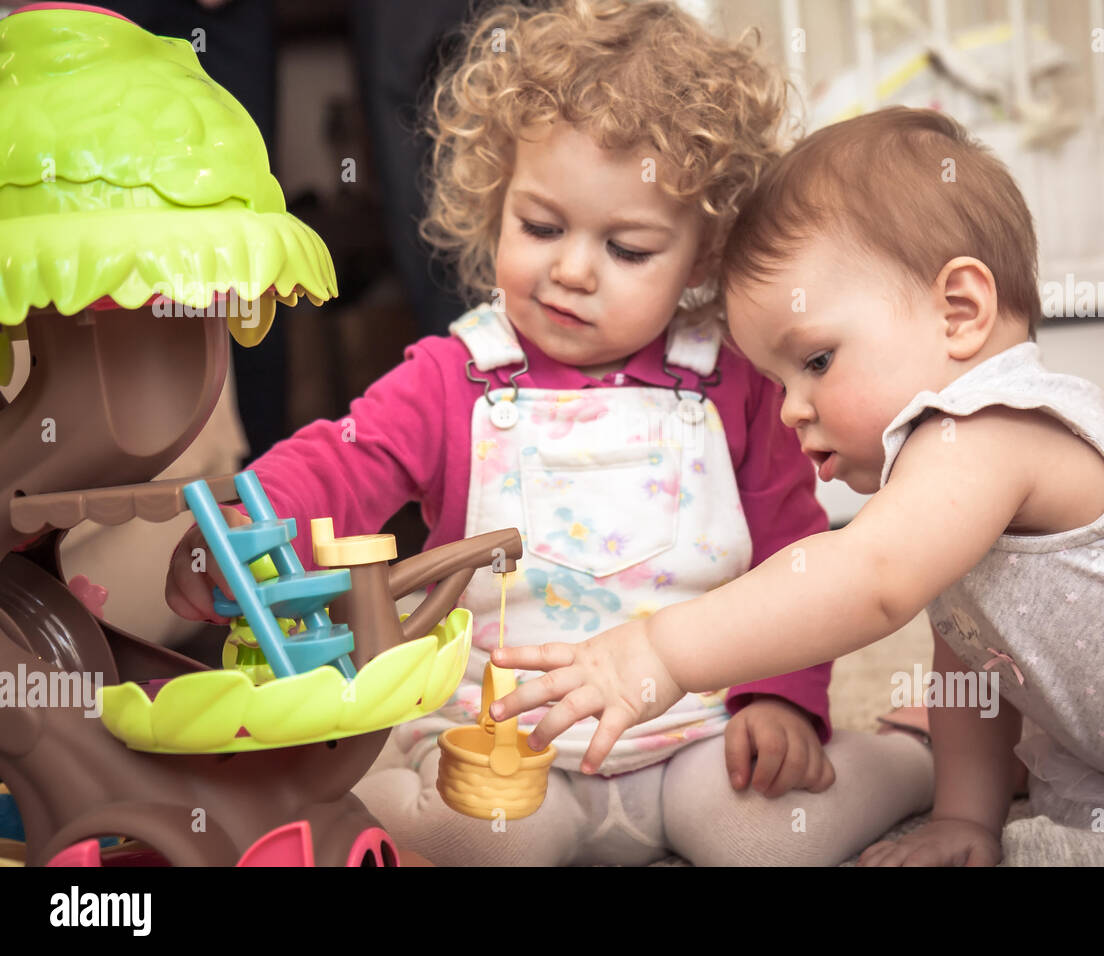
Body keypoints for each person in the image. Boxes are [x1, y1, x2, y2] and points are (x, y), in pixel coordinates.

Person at [164, 0, 933, 866]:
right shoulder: (454, 375)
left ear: (704, 253)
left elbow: (793, 556)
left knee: (759, 840)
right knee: (482, 842)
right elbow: (349, 460)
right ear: (496, 201)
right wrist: (245, 527)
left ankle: (913, 754)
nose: (570, 269)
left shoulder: (734, 384)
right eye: (540, 227)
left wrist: (783, 698)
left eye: (628, 248)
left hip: (689, 736)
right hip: (501, 744)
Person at [489, 106, 1104, 867]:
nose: (792, 411)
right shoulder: (942, 505)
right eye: (776, 382)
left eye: (814, 362)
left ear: (959, 311)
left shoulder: (985, 427)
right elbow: (975, 670)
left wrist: (662, 648)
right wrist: (964, 817)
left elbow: (868, 582)